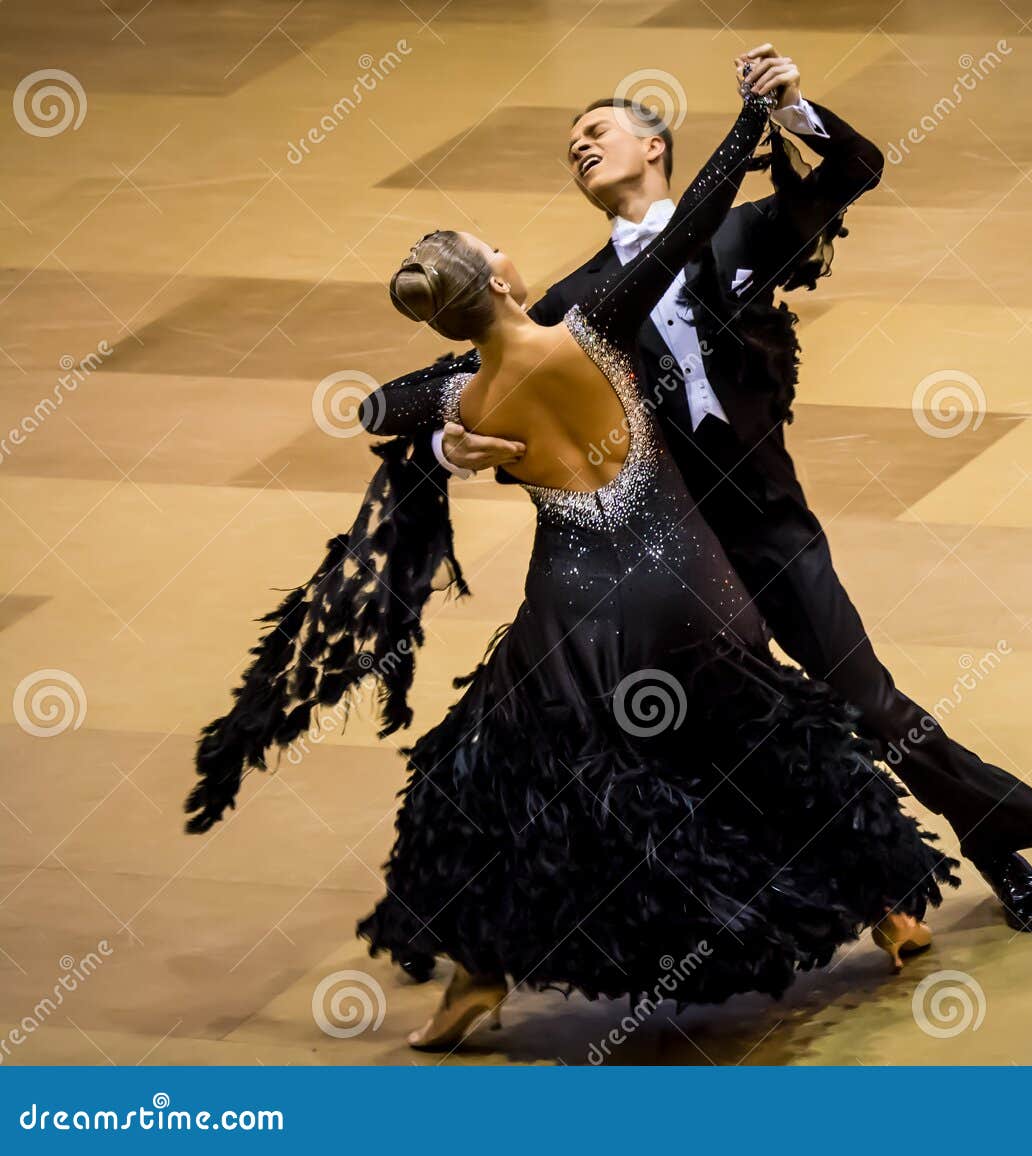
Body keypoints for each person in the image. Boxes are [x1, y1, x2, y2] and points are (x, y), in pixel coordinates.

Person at [186, 69, 954, 1053]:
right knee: (762, 737)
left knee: (492, 774)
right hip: (684, 584)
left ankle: (476, 979)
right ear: (501, 281)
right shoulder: (589, 327)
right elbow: (698, 216)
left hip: (573, 606)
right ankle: (891, 904)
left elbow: (378, 405)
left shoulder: (466, 392)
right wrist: (753, 119)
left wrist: (443, 446)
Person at [385, 44, 1032, 933]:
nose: (581, 147)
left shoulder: (739, 230)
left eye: (596, 130)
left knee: (866, 703)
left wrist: (791, 108)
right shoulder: (580, 300)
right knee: (712, 738)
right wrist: (447, 440)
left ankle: (988, 838)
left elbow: (855, 169)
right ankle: (794, 903)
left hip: (775, 530)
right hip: (674, 558)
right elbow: (434, 385)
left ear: (655, 146)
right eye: (569, 148)